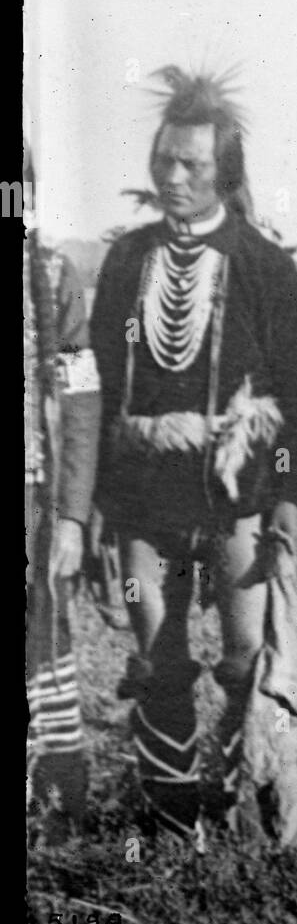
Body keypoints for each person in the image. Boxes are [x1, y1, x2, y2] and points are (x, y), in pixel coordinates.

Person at [90, 67, 297, 848]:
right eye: (165, 160)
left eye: (192, 164)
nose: (174, 176)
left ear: (225, 170)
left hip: (239, 500)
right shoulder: (127, 260)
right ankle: (171, 821)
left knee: (245, 659)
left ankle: (239, 807)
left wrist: (287, 496)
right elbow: (102, 389)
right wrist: (98, 508)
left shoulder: (261, 265)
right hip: (142, 500)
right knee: (158, 658)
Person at [25, 147, 101, 836]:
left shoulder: (54, 277)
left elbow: (79, 401)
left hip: (35, 499)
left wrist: (73, 515)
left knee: (42, 637)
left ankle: (52, 796)